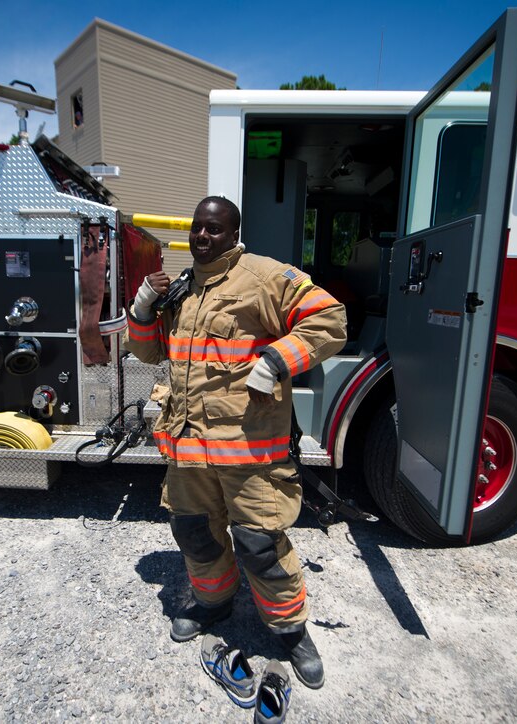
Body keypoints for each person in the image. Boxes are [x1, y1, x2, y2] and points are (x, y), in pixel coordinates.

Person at [124, 196, 346, 689]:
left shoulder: (265, 277)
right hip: (188, 451)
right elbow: (146, 352)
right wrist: (141, 309)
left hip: (249, 451)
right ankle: (213, 604)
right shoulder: (181, 288)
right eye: (197, 229)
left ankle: (290, 632)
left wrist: (275, 361)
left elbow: (330, 321)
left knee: (260, 544)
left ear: (234, 232)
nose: (202, 236)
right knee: (195, 535)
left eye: (214, 229)